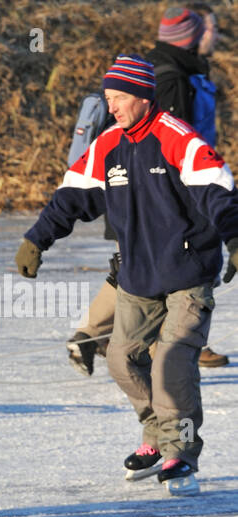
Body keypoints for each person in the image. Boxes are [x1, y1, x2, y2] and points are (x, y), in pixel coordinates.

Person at [17, 54, 238, 493]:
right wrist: (36, 239)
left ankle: (182, 455)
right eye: (108, 98)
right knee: (121, 360)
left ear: (141, 97)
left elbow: (218, 192)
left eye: (118, 98)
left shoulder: (177, 138)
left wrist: (235, 238)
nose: (111, 106)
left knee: (171, 364)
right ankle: (156, 438)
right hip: (137, 276)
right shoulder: (108, 144)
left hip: (187, 273)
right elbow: (71, 199)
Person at [67, 7, 230, 373]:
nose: (215, 35)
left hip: (169, 190)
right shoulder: (169, 77)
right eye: (210, 29)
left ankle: (166, 341)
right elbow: (159, 143)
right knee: (154, 265)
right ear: (190, 35)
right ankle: (122, 340)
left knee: (149, 264)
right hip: (155, 193)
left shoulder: (182, 70)